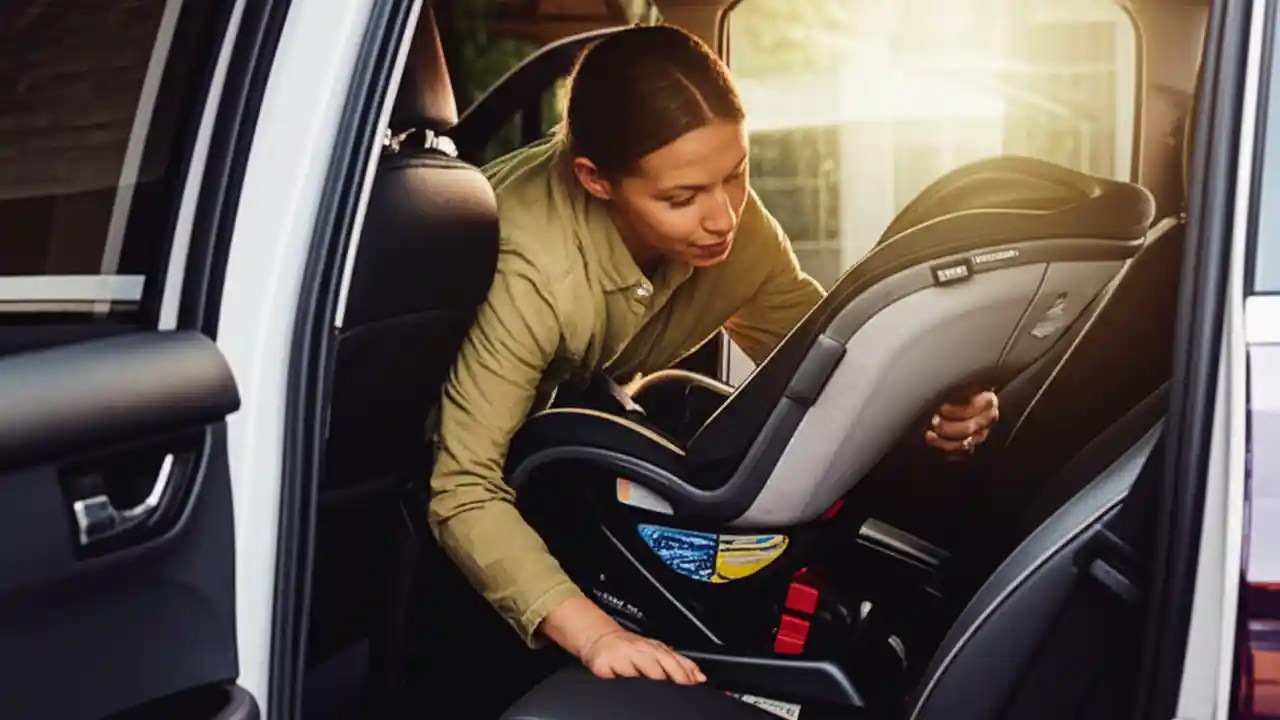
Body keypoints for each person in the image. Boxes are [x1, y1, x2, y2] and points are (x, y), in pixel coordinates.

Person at [427, 24, 1000, 690]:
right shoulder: (530, 271)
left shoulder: (735, 227)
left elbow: (821, 363)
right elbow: (461, 487)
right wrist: (598, 636)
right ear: (596, 180)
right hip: (433, 464)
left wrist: (939, 404)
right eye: (682, 198)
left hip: (551, 439)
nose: (725, 217)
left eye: (736, 174)